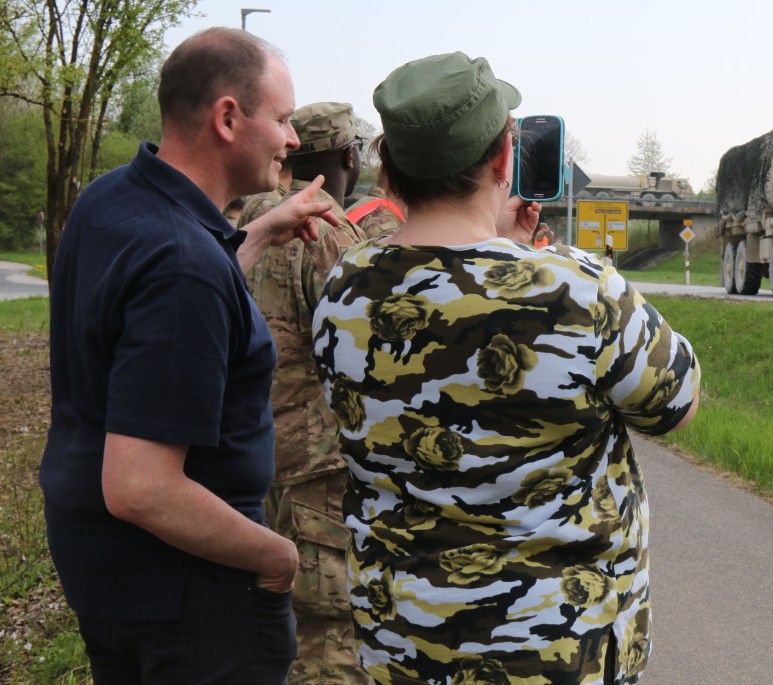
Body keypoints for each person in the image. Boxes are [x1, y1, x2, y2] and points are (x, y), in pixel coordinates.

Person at [311, 52, 701, 685]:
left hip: (403, 650)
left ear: (390, 169)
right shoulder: (579, 290)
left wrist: (506, 251)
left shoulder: (343, 291)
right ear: (502, 160)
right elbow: (676, 407)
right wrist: (524, 258)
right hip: (559, 654)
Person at [40, 27, 340, 684]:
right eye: (284, 119)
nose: (293, 140)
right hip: (190, 599)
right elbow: (142, 487)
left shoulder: (111, 199)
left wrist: (258, 230)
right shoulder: (185, 264)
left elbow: (167, 298)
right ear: (228, 118)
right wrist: (276, 554)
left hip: (110, 578)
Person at [242, 101, 371, 685]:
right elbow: (369, 351)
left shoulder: (244, 218)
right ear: (350, 155)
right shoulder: (322, 227)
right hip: (319, 475)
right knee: (328, 642)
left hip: (251, 465)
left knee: (275, 626)